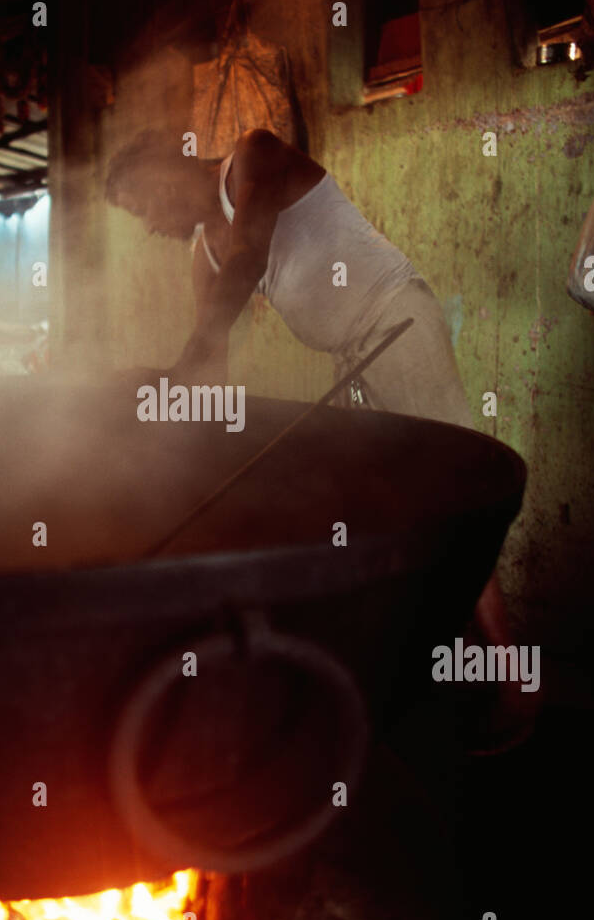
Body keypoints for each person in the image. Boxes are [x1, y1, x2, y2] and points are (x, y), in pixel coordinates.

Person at [106, 126, 535, 749]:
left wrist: (184, 362)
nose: (147, 222)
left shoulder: (254, 156)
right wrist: (161, 399)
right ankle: (446, 664)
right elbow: (212, 359)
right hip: (352, 356)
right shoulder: (202, 252)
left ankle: (518, 680)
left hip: (396, 321)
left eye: (142, 201)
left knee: (458, 493)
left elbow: (251, 256)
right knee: (398, 506)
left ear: (167, 163)